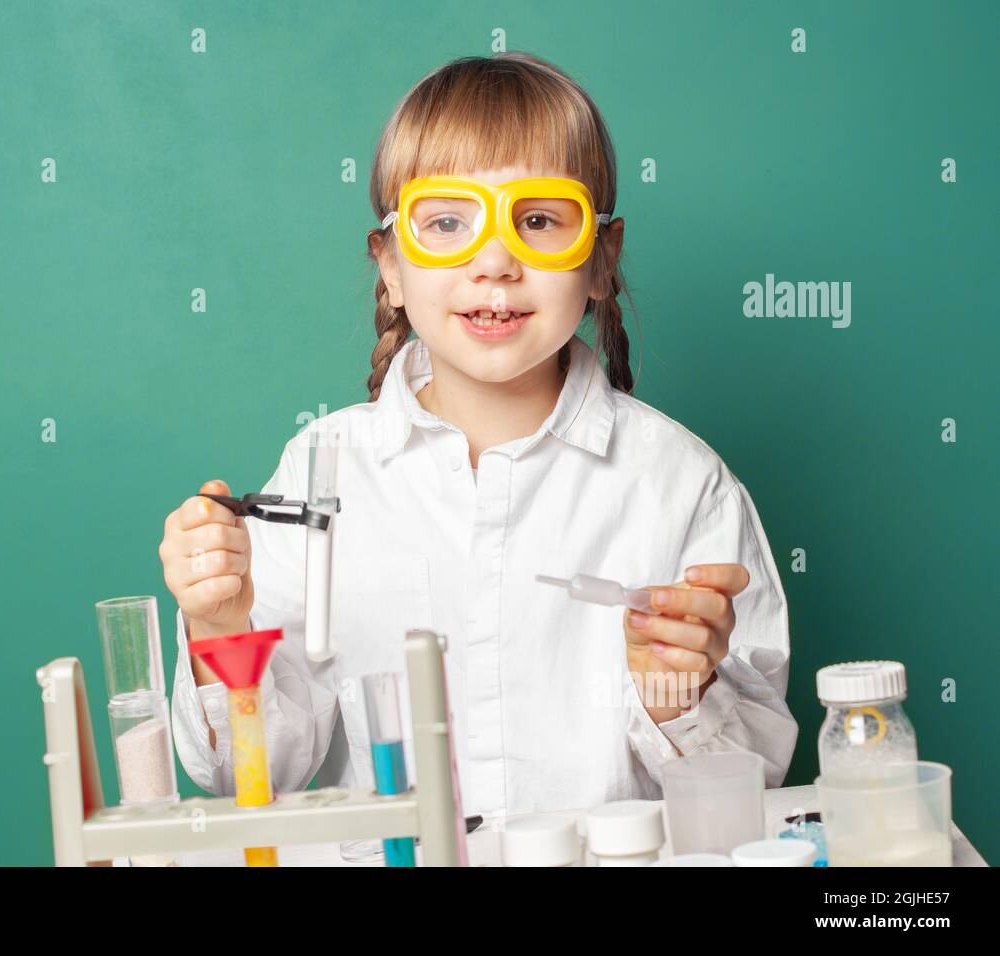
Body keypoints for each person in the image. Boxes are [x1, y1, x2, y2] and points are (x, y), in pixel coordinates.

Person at [159, 52, 798, 816]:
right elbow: (250, 775)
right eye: (447, 223)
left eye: (537, 220)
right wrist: (218, 625)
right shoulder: (321, 472)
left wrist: (675, 692)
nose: (494, 261)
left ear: (601, 259)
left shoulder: (681, 485)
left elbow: (750, 789)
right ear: (390, 266)